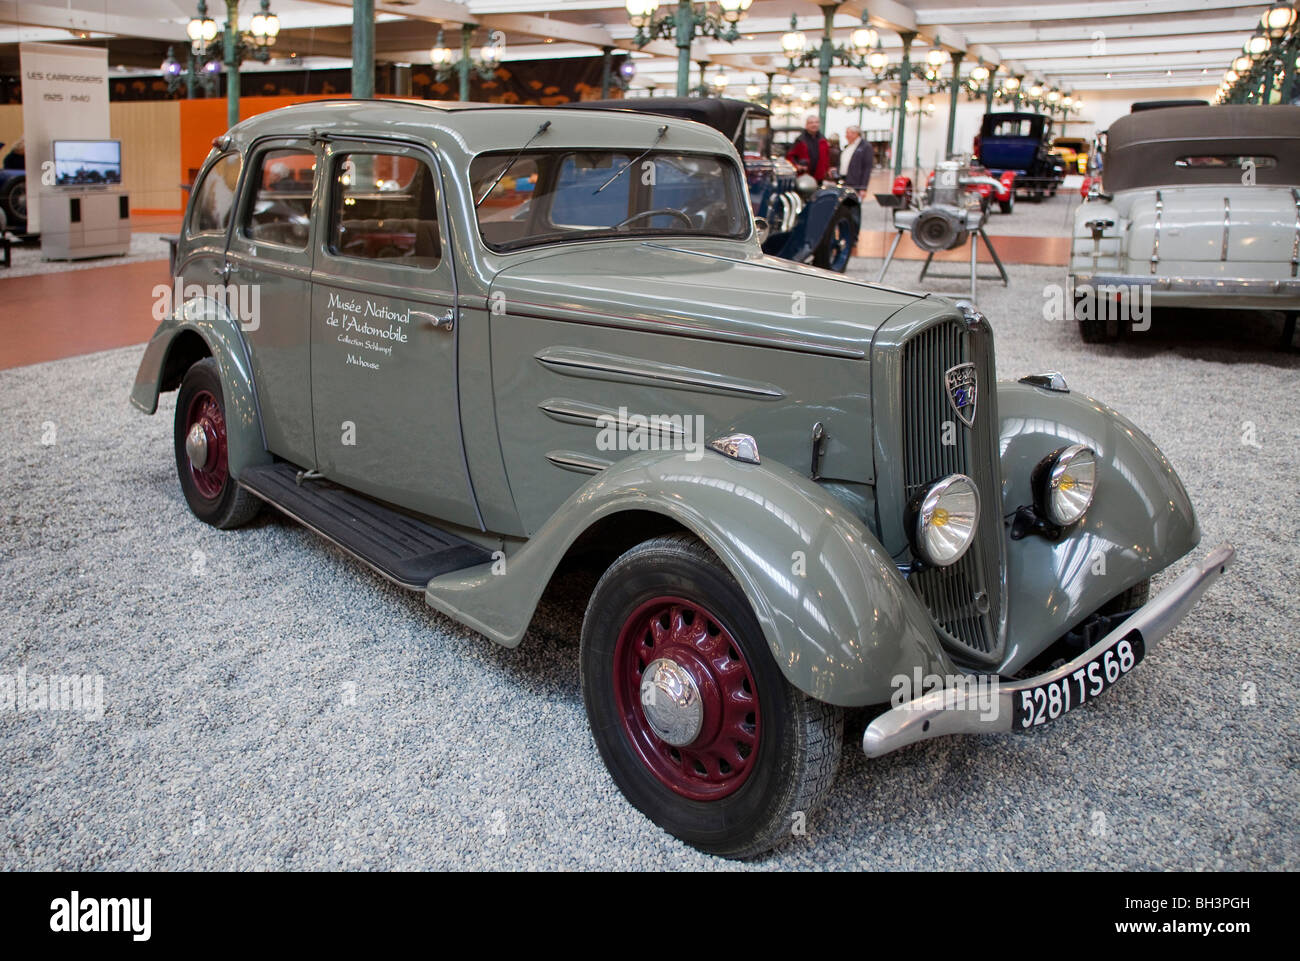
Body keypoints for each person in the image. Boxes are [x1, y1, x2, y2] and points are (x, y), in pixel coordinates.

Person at [785, 114, 830, 182]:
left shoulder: (823, 140)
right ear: (806, 125)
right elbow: (789, 156)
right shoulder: (800, 140)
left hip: (819, 178)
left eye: (816, 122)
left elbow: (827, 158)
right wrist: (797, 166)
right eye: (811, 123)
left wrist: (826, 170)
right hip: (803, 177)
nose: (814, 125)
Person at [839, 125, 872, 196]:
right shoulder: (848, 146)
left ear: (855, 134)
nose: (846, 135)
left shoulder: (865, 146)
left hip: (856, 184)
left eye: (848, 133)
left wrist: (863, 187)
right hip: (844, 181)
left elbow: (867, 168)